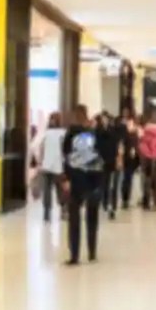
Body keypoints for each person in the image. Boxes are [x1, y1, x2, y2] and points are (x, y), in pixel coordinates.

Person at [61, 105, 104, 264]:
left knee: (74, 218)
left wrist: (66, 178)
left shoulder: (71, 133)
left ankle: (75, 255)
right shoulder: (94, 133)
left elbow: (65, 156)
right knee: (91, 217)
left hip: (77, 179)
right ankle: (91, 252)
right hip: (92, 179)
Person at [36, 112, 66, 222]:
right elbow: (65, 150)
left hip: (47, 165)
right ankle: (63, 210)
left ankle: (47, 213)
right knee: (60, 189)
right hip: (58, 165)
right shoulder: (63, 133)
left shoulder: (46, 133)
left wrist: (40, 162)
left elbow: (41, 148)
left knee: (47, 190)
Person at [139, 111, 156, 211]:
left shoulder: (145, 129)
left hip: (147, 157)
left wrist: (144, 155)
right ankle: (155, 202)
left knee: (147, 179)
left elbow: (142, 144)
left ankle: (146, 201)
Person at [99, 113, 123, 219]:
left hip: (112, 161)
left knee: (113, 185)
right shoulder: (98, 132)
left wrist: (119, 159)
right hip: (103, 162)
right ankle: (106, 204)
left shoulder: (115, 132)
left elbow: (119, 146)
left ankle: (112, 206)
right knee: (105, 184)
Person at [119, 114, 140, 210]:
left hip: (131, 159)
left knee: (128, 179)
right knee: (127, 179)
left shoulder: (133, 134)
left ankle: (126, 199)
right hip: (128, 158)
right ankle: (125, 199)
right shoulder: (128, 135)